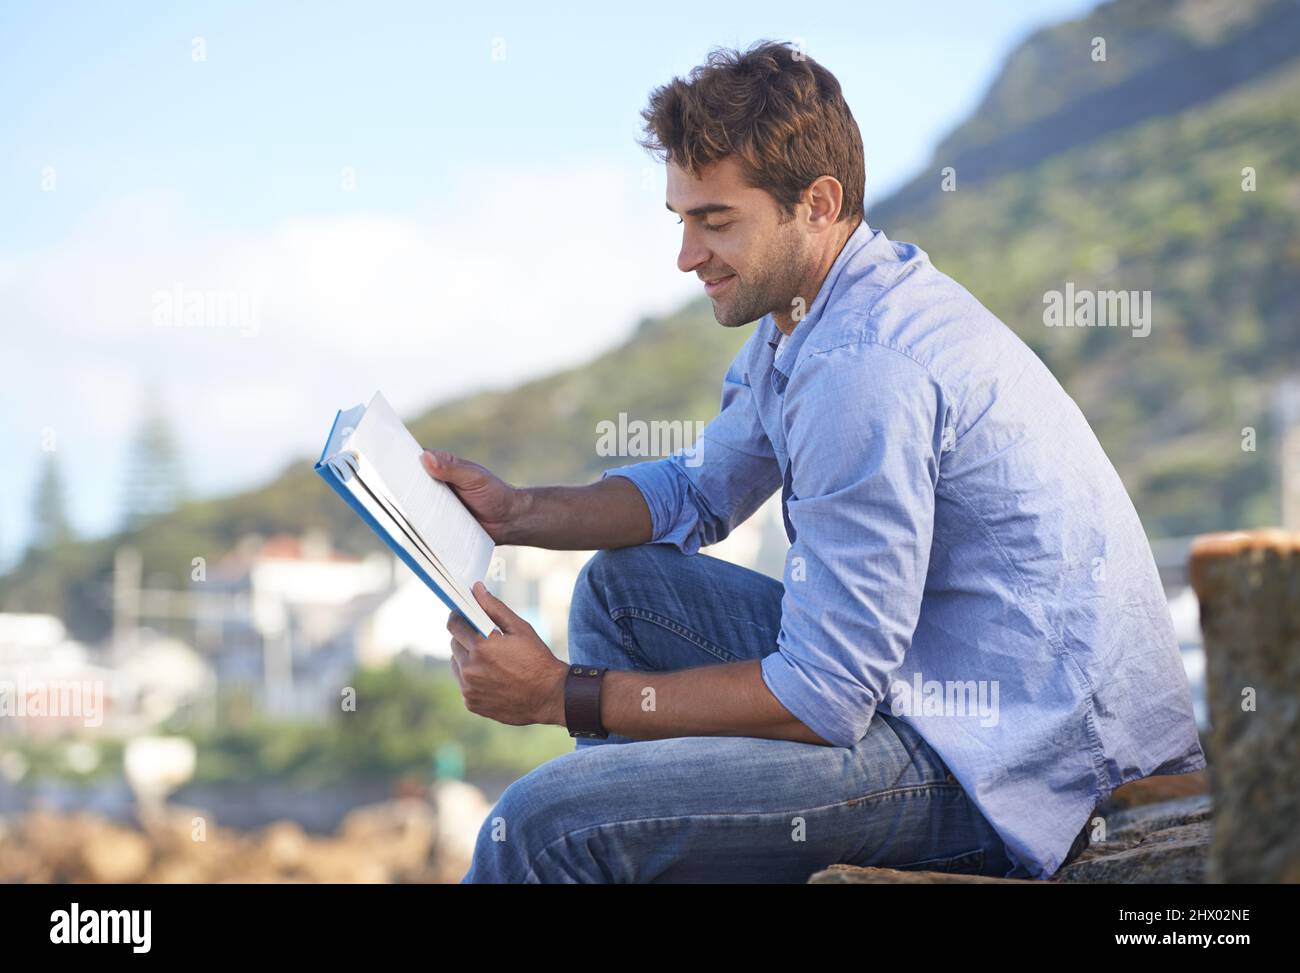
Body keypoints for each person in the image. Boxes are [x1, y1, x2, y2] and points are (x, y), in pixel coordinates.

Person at [431, 39, 1205, 883]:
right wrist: (515, 512)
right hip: (930, 692)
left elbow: (822, 694)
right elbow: (697, 487)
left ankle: (612, 838)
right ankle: (639, 837)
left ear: (818, 202)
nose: (687, 256)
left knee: (542, 822)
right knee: (624, 592)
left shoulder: (865, 367)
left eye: (716, 221)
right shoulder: (813, 314)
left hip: (1026, 774)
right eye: (681, 220)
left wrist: (560, 693)